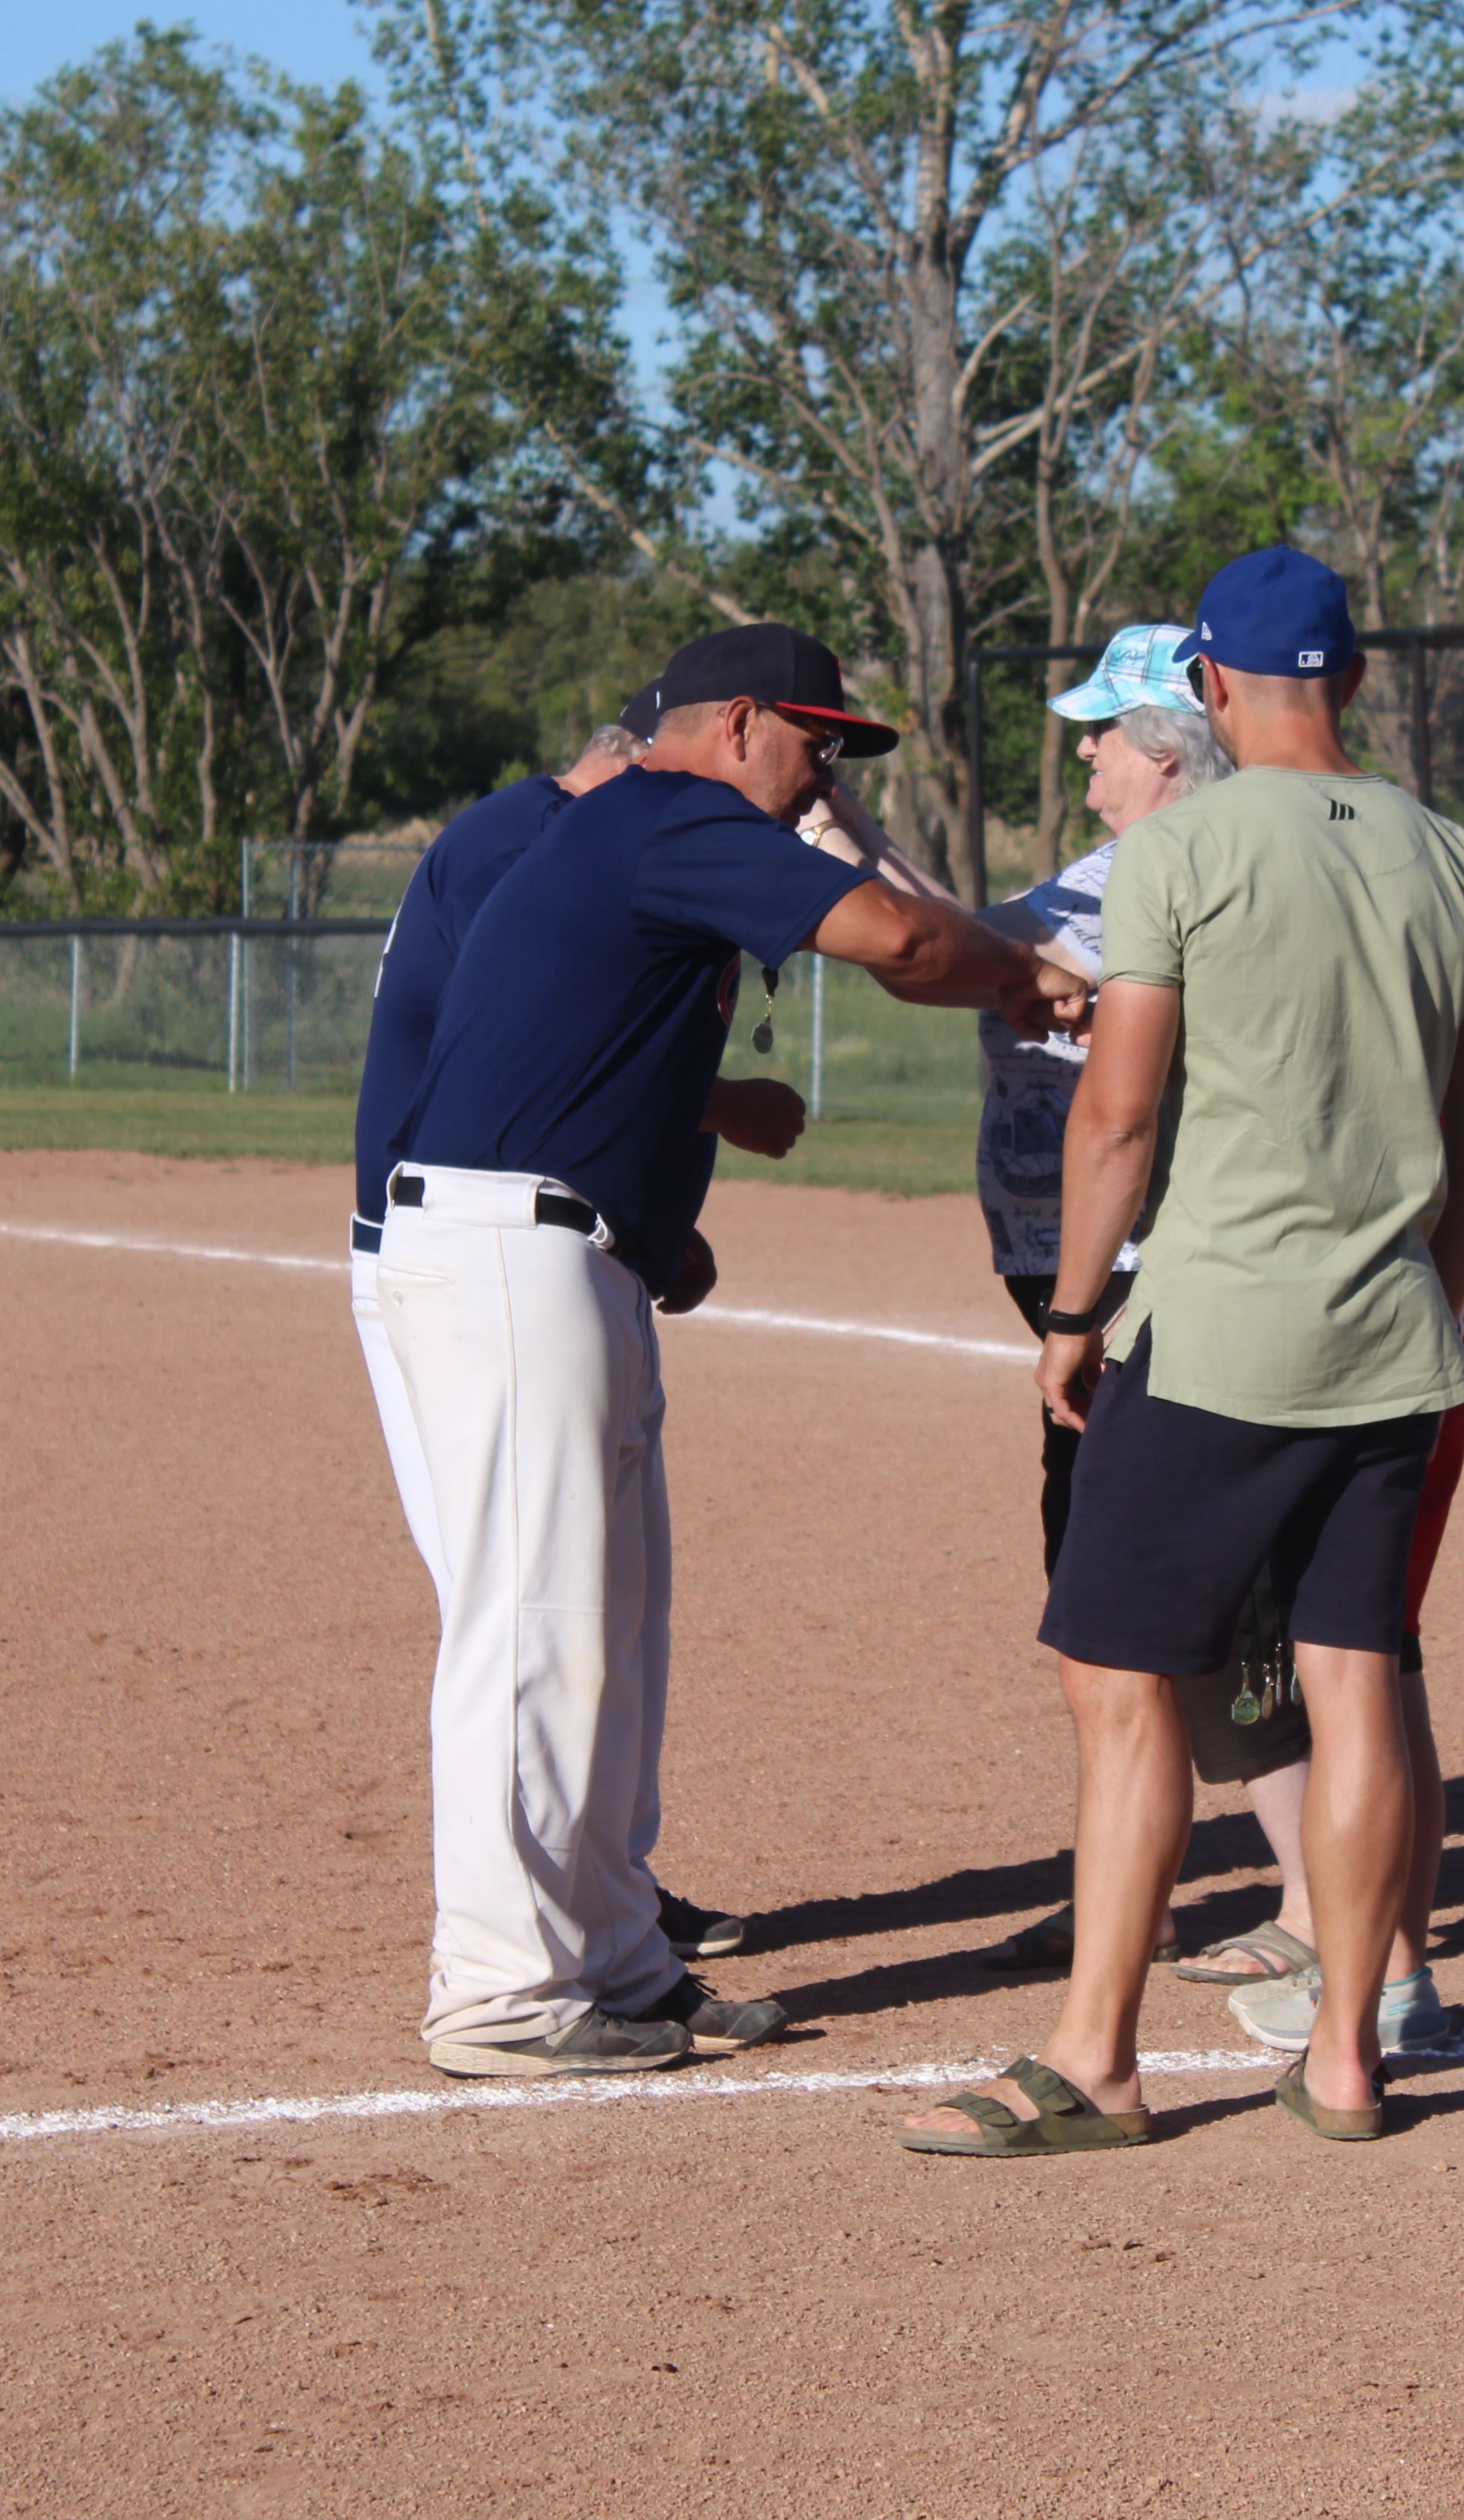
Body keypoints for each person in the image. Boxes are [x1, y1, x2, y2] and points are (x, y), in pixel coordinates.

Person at [378, 621, 1081, 2080]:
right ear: (744, 723)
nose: (824, 779)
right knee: (532, 1634)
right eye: (818, 744)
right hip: (512, 1257)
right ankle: (503, 1991)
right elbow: (898, 940)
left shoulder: (649, 834)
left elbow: (594, 1039)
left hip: (569, 1255)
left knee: (613, 1638)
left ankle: (621, 1958)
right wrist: (1022, 973)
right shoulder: (668, 812)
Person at [900, 547, 1464, 2155]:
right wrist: (1424, 1289)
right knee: (1356, 1682)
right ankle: (1345, 2059)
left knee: (1118, 1680)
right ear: (1356, 681)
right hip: (1396, 1333)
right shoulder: (1452, 855)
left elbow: (1117, 1109)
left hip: (1218, 1331)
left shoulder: (1185, 847)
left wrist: (1076, 1311)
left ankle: (1097, 2062)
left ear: (1217, 689)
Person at [346, 713, 792, 1964]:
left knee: (597, 1606)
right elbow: (537, 1046)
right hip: (457, 1254)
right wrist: (721, 1104)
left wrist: (655, 1215)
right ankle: (514, 1955)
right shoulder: (537, 841)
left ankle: (608, 1899)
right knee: (520, 1608)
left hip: (556, 1252)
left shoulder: (561, 833)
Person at [957, 626, 1326, 1989]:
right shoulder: (1122, 872)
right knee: (1115, 1591)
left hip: (1137, 1287)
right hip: (1100, 1286)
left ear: (1170, 749)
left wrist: (846, 860)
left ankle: (1307, 1896)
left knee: (1202, 1598)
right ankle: (1140, 1883)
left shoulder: (1173, 874)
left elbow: (945, 956)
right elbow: (974, 950)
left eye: (1106, 730)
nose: (1087, 751)